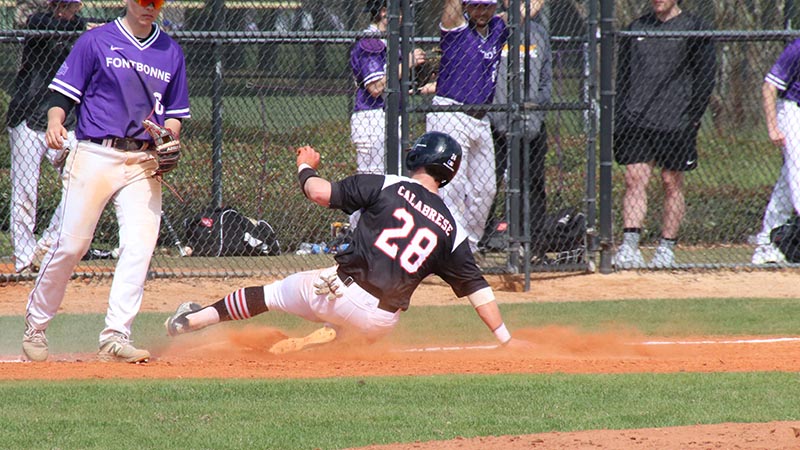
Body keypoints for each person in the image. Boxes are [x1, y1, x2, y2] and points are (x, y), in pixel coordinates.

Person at [165, 132, 530, 352]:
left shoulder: (388, 184)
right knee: (351, 341)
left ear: (418, 155)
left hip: (338, 291)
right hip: (380, 321)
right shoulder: (452, 227)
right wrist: (505, 339)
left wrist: (305, 166)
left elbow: (319, 193)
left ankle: (188, 322)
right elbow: (478, 290)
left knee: (270, 294)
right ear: (449, 172)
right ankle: (324, 343)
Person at [22, 0, 191, 363]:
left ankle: (116, 335)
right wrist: (55, 122)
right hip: (96, 153)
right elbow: (61, 95)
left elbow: (175, 115)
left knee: (139, 247)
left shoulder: (170, 51)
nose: (149, 7)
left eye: (156, 2)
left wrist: (169, 138)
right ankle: (35, 327)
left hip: (143, 160)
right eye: (143, 1)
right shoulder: (96, 41)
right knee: (70, 245)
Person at [612, 0, 715, 268]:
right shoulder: (635, 28)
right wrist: (622, 116)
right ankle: (630, 247)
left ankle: (666, 248)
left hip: (676, 122)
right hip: (636, 121)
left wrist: (692, 118)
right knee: (634, 178)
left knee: (671, 183)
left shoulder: (695, 27)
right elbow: (622, 77)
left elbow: (705, 76)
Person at [7, 0, 87, 275]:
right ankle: (24, 259)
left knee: (80, 186)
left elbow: (76, 31)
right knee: (25, 193)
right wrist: (64, 14)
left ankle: (47, 248)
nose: (72, 8)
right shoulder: (38, 21)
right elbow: (51, 26)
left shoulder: (79, 25)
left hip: (66, 121)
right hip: (27, 118)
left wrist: (86, 27)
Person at [426, 0, 509, 253]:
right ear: (465, 6)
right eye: (476, 6)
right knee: (452, 187)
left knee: (486, 189)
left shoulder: (498, 27)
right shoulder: (457, 29)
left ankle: (468, 248)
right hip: (451, 113)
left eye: (487, 6)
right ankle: (450, 249)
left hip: (480, 118)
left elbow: (530, 9)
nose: (482, 12)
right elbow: (450, 9)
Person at [349, 0, 426, 227]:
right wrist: (408, 63)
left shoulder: (390, 41)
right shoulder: (371, 41)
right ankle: (358, 235)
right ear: (385, 12)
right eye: (400, 10)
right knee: (369, 182)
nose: (403, 15)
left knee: (393, 182)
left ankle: (379, 234)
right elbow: (376, 87)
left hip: (390, 117)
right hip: (372, 117)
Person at [484, 0, 551, 257]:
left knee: (533, 182)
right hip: (495, 121)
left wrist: (537, 109)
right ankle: (481, 238)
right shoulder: (494, 27)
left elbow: (546, 81)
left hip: (531, 121)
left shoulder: (539, 33)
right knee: (487, 183)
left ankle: (532, 243)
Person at [751, 38, 800, 264]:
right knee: (798, 173)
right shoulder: (797, 47)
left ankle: (767, 243)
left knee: (787, 180)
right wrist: (772, 126)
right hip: (791, 110)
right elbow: (769, 86)